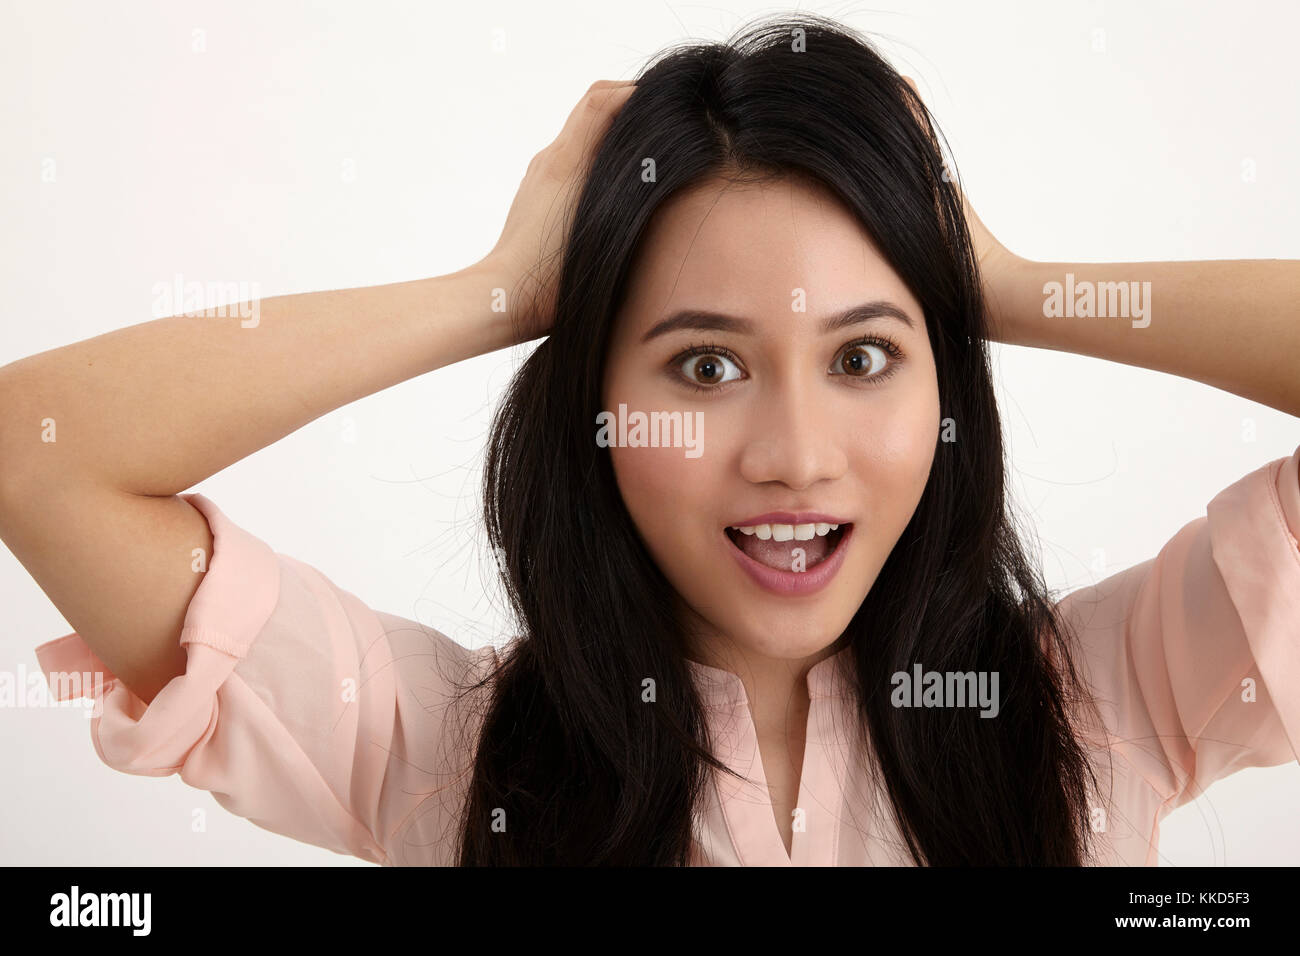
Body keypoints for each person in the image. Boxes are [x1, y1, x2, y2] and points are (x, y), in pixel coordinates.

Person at [3, 12, 1297, 866]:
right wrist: (500, 292)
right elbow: (34, 451)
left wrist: (993, 283)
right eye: (706, 363)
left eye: (863, 356)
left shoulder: (1113, 700)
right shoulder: (439, 750)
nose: (795, 452)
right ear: (597, 406)